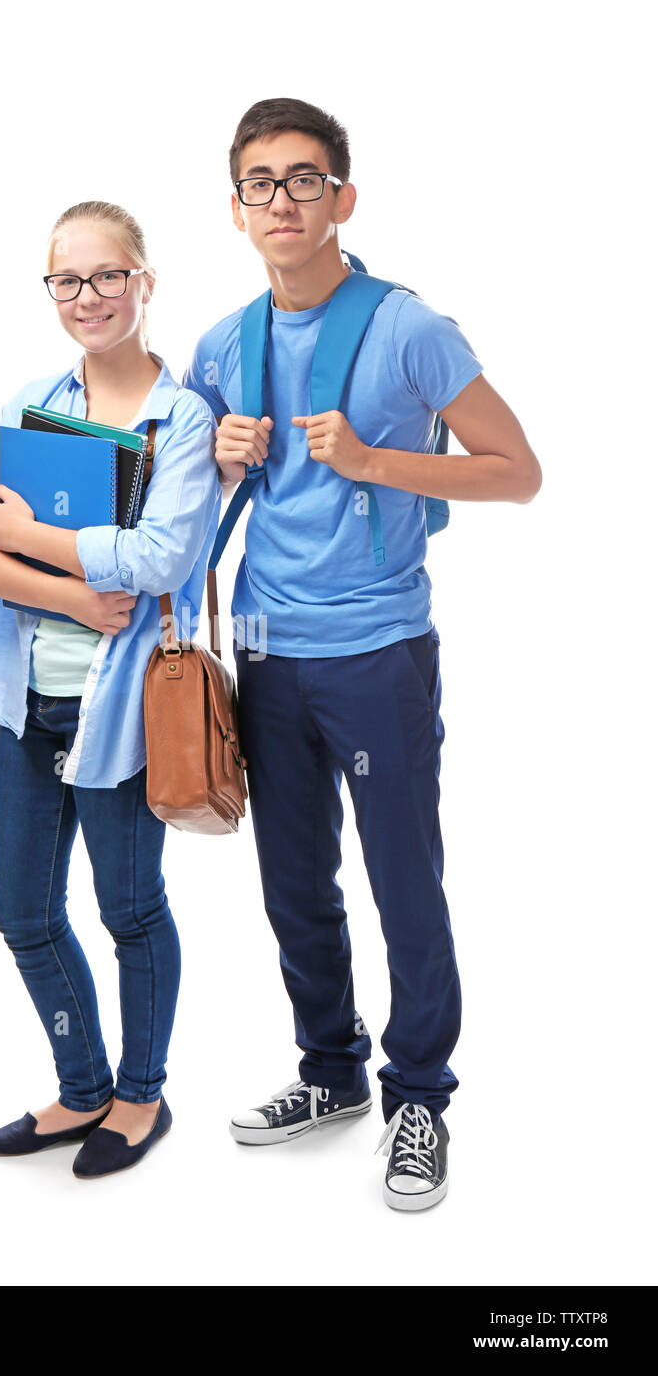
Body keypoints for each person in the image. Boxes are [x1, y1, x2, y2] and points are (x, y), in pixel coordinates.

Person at [183, 98, 542, 1210]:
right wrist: (224, 457)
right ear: (235, 210)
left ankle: (418, 1094)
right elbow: (177, 500)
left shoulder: (407, 327)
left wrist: (382, 462)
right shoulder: (221, 342)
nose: (280, 200)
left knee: (401, 883)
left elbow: (516, 470)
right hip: (265, 652)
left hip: (377, 651)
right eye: (258, 182)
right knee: (293, 884)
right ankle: (329, 1070)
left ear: (343, 197)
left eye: (302, 179)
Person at [0, 200, 220, 1179]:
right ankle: (81, 1083)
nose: (87, 297)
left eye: (106, 277)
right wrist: (63, 585)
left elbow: (156, 556)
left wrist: (32, 537)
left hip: (122, 715)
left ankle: (140, 1096)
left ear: (144, 282)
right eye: (67, 279)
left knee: (129, 906)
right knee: (20, 908)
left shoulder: (180, 421)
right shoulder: (30, 404)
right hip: (28, 708)